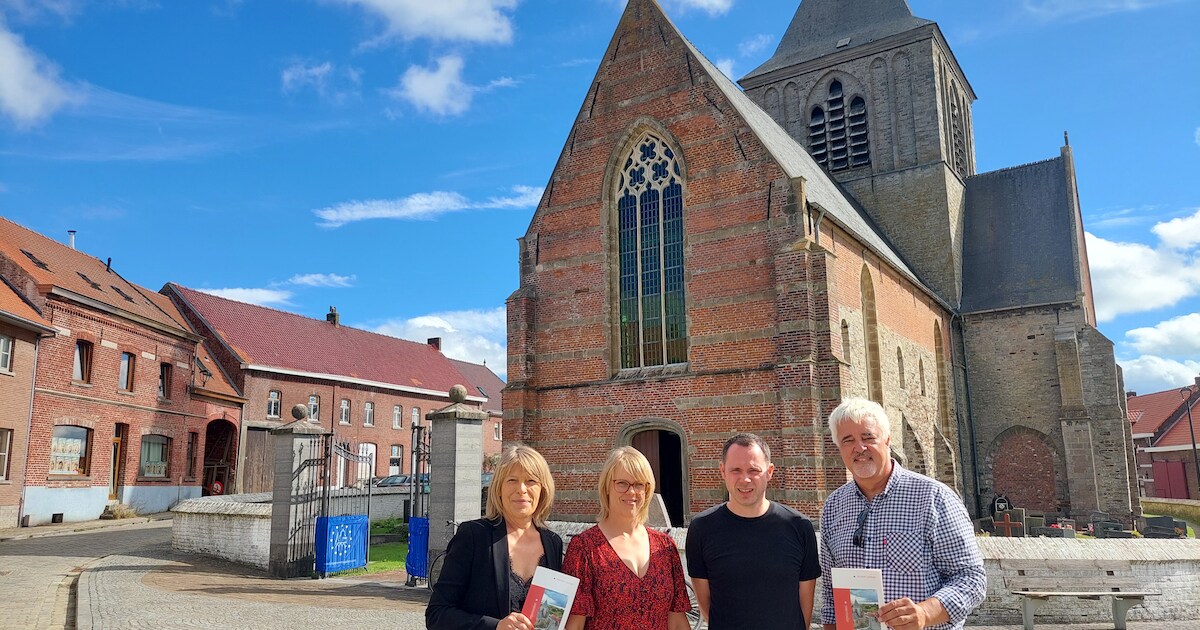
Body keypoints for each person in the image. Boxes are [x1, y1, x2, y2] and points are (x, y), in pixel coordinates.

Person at [819, 397, 986, 630]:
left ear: (887, 440)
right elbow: (831, 590)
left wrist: (924, 613)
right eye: (848, 440)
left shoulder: (933, 498)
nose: (859, 448)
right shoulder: (834, 506)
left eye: (868, 437)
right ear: (839, 448)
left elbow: (971, 579)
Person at [685, 433, 821, 629]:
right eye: (736, 470)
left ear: (770, 471)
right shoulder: (702, 528)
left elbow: (804, 606)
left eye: (753, 470)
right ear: (722, 471)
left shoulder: (799, 527)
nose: (745, 479)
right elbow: (706, 603)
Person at [427, 445, 564, 630]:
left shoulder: (552, 543)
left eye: (531, 480)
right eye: (512, 480)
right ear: (499, 488)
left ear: (543, 490)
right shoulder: (474, 536)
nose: (521, 489)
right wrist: (496, 627)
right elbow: (437, 615)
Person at [562, 447, 691, 630]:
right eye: (622, 483)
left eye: (639, 484)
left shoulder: (665, 547)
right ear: (607, 486)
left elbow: (677, 620)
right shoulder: (584, 548)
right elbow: (574, 625)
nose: (631, 492)